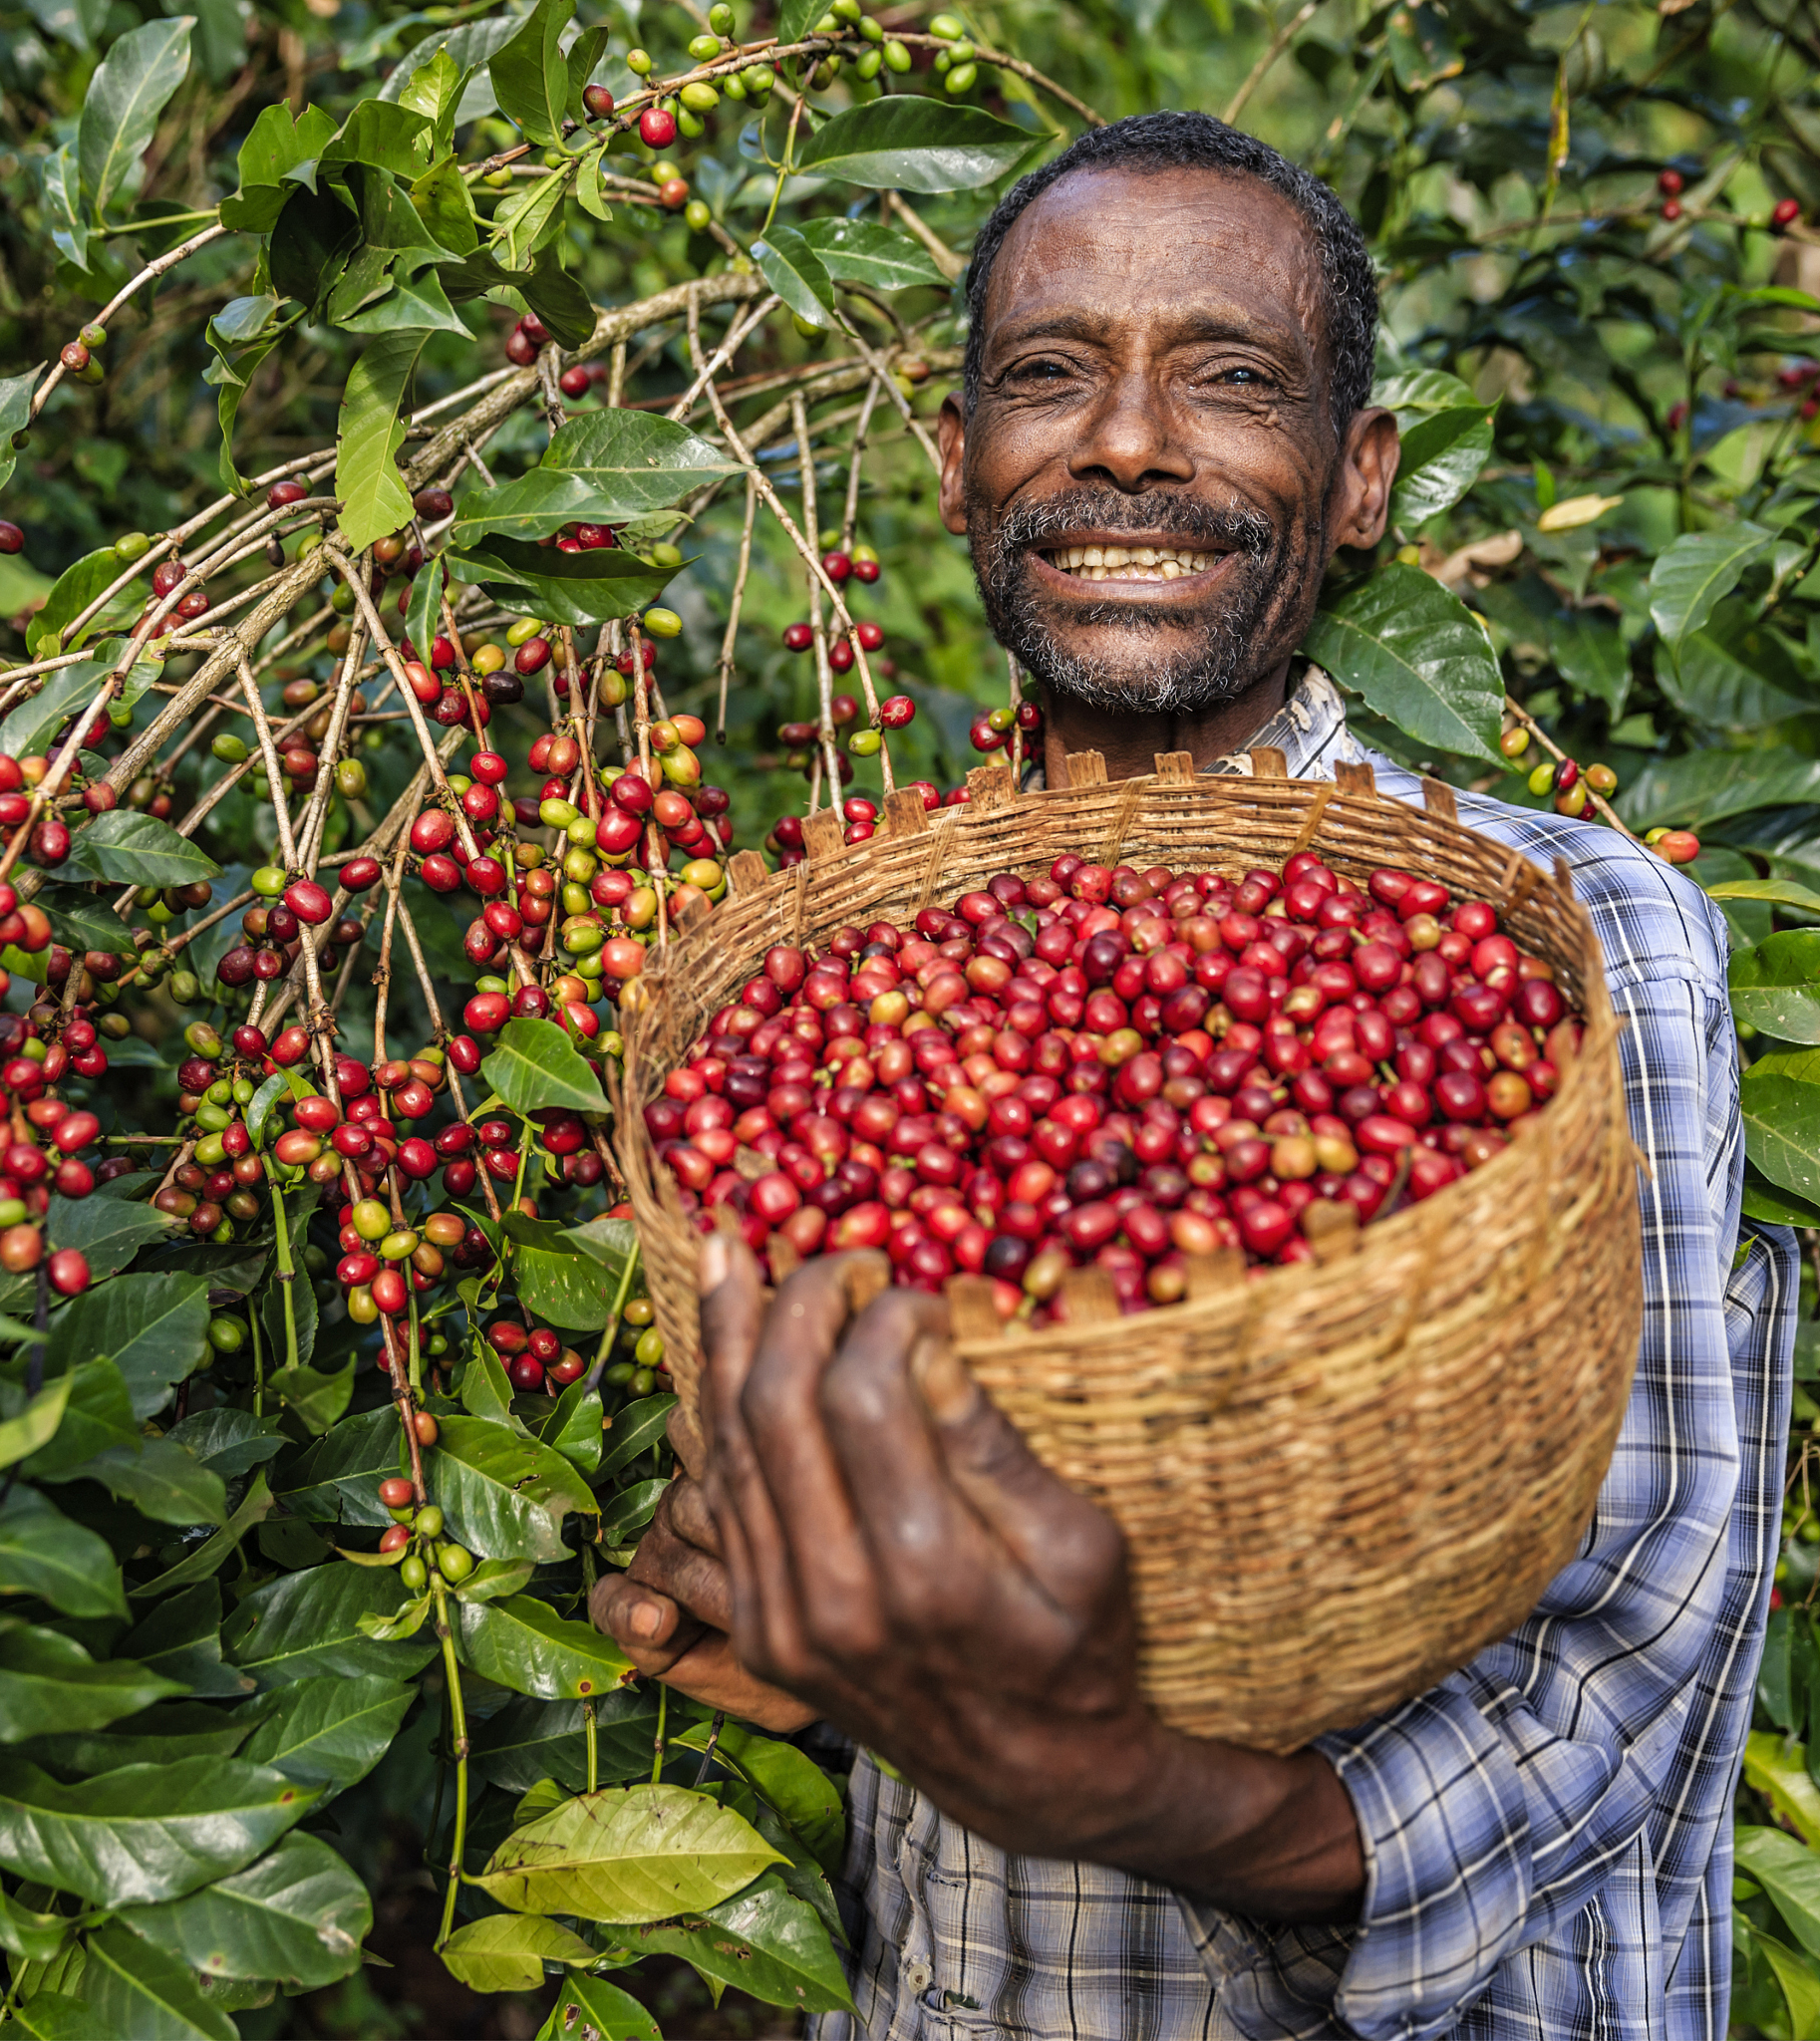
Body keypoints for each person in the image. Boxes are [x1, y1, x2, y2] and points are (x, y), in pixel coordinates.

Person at [590, 111, 1795, 2041]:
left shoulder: (1576, 930)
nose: (1129, 439)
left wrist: (1110, 1786)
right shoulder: (859, 972)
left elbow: (1615, 1691)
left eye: (1229, 378)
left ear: (1358, 483)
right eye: (1046, 374)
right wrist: (803, 1612)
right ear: (958, 458)